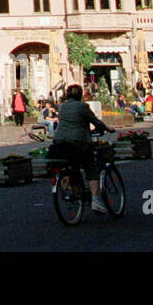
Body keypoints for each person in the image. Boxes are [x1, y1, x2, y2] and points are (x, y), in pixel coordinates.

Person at [47, 85, 114, 213]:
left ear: (67, 95)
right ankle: (95, 200)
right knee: (91, 168)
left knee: (71, 165)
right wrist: (106, 128)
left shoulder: (62, 107)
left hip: (59, 141)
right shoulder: (82, 106)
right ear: (81, 95)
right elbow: (95, 121)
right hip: (79, 142)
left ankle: (72, 190)